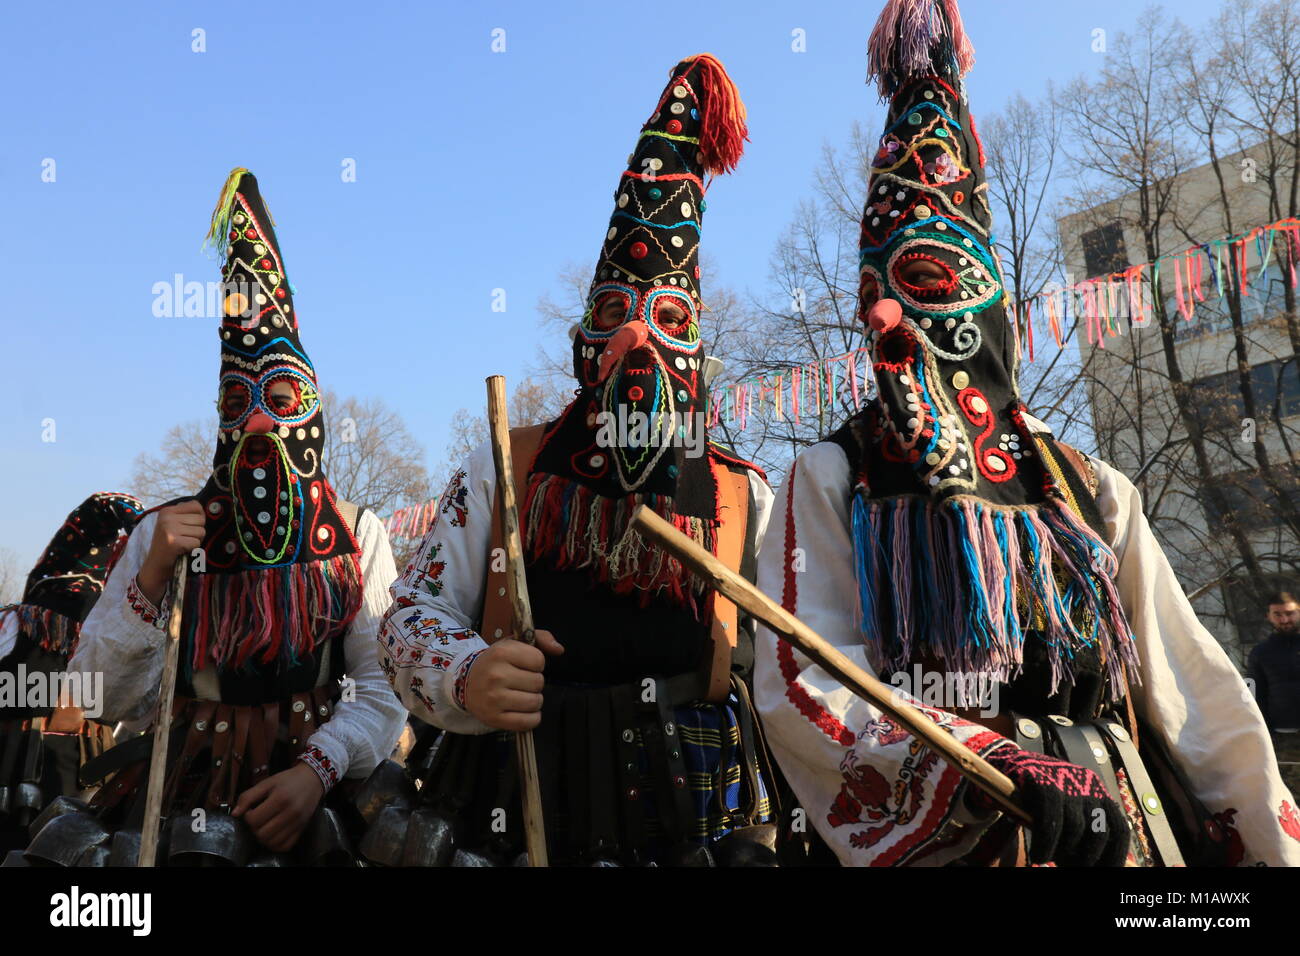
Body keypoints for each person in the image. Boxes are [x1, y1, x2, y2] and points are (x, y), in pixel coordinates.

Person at [752, 0, 1300, 867]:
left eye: (943, 291)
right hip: (946, 840)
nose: (913, 324)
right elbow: (800, 683)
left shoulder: (1085, 483)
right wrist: (975, 760)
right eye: (894, 296)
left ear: (992, 306)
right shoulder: (830, 477)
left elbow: (1192, 688)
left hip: (1115, 837)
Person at [376, 54, 778, 866]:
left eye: (663, 319)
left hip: (691, 815)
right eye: (611, 315)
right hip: (516, 801)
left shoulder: (743, 494)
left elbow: (793, 677)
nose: (635, 342)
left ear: (696, 349)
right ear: (582, 342)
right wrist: (467, 671)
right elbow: (408, 612)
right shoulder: (507, 465)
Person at [23, 169, 406, 867]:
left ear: (313, 415)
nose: (258, 419)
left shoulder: (357, 534)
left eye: (281, 397)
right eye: (238, 402)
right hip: (176, 797)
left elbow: (383, 686)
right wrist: (152, 576)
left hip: (319, 795)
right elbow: (98, 697)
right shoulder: (164, 533)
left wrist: (317, 769)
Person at [0, 492, 142, 856]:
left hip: (20, 774)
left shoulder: (13, 623)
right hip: (88, 782)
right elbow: (137, 715)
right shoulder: (115, 634)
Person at [1248, 590, 1300, 795]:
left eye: (1290, 613)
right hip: (1283, 737)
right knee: (1291, 794)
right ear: (1268, 616)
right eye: (1278, 614)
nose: (1285, 619)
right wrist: (1263, 731)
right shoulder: (1260, 653)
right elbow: (1254, 696)